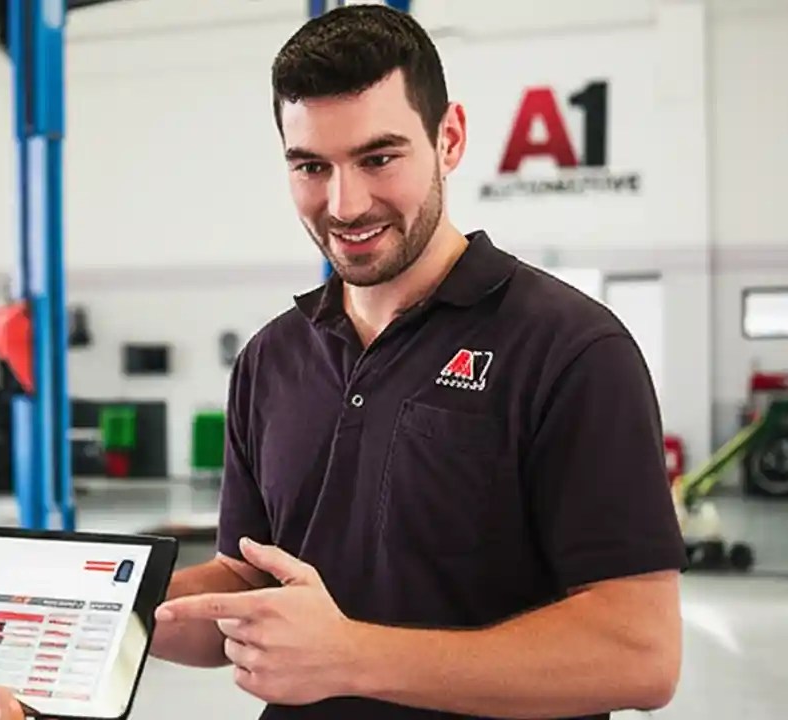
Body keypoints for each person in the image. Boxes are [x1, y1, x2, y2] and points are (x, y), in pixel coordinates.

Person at [138, 6, 686, 720]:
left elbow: (639, 654)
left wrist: (351, 656)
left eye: (378, 158)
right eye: (311, 166)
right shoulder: (271, 359)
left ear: (449, 137)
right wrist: (100, 607)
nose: (345, 204)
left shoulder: (572, 350)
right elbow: (250, 581)